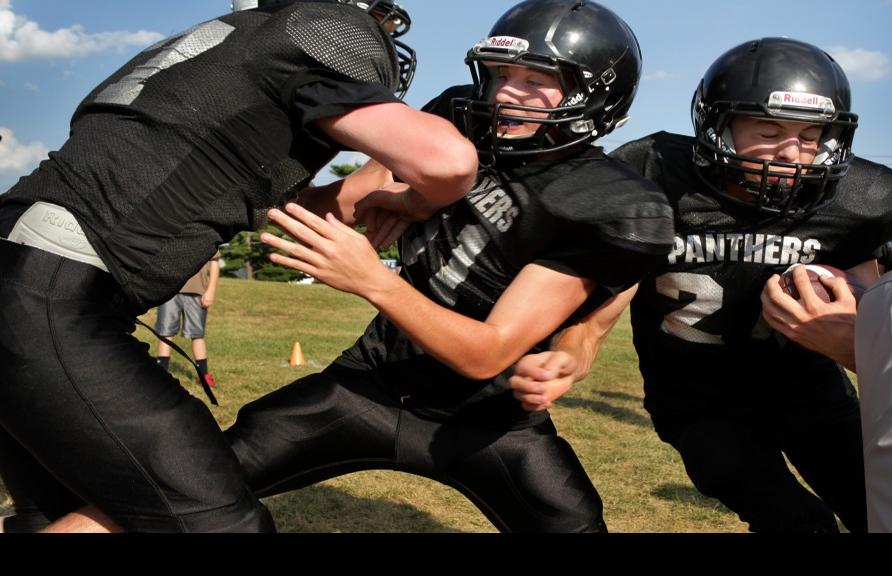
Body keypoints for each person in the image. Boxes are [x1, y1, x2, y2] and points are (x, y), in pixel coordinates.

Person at [0, 0, 478, 533]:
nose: (384, 28)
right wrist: (415, 202)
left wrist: (374, 190)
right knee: (224, 523)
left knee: (68, 514)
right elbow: (447, 162)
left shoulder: (223, 44)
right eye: (379, 15)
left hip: (29, 273)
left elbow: (281, 204)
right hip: (50, 293)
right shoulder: (320, 27)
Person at [223, 0, 674, 532]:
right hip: (370, 380)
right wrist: (241, 195)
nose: (507, 92)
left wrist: (371, 279)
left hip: (491, 419)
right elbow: (358, 194)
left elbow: (489, 354)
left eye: (536, 79)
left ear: (594, 94)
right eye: (503, 73)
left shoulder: (610, 204)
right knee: (186, 483)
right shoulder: (461, 114)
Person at [513, 38, 892, 533]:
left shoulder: (863, 199)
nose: (792, 152)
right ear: (717, 125)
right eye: (769, 130)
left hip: (809, 391)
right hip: (699, 401)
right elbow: (608, 291)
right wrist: (575, 348)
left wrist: (853, 317)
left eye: (812, 135)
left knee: (886, 510)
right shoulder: (652, 171)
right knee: (796, 521)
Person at [154, 252, 222, 387]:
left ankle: (204, 375)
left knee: (197, 334)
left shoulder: (207, 232)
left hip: (197, 292)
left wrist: (211, 289)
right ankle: (160, 374)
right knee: (166, 333)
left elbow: (214, 262)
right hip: (170, 290)